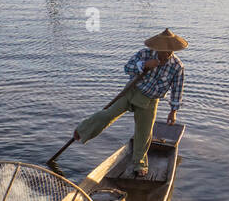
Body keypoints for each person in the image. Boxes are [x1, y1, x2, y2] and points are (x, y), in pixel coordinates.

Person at [73, 29, 186, 177]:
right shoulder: (144, 54)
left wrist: (173, 111)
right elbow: (127, 68)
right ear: (157, 48)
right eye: (163, 51)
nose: (166, 55)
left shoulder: (177, 67)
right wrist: (144, 65)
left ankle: (139, 163)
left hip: (150, 101)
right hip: (131, 91)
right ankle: (82, 130)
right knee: (108, 114)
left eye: (169, 51)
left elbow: (177, 90)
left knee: (144, 132)